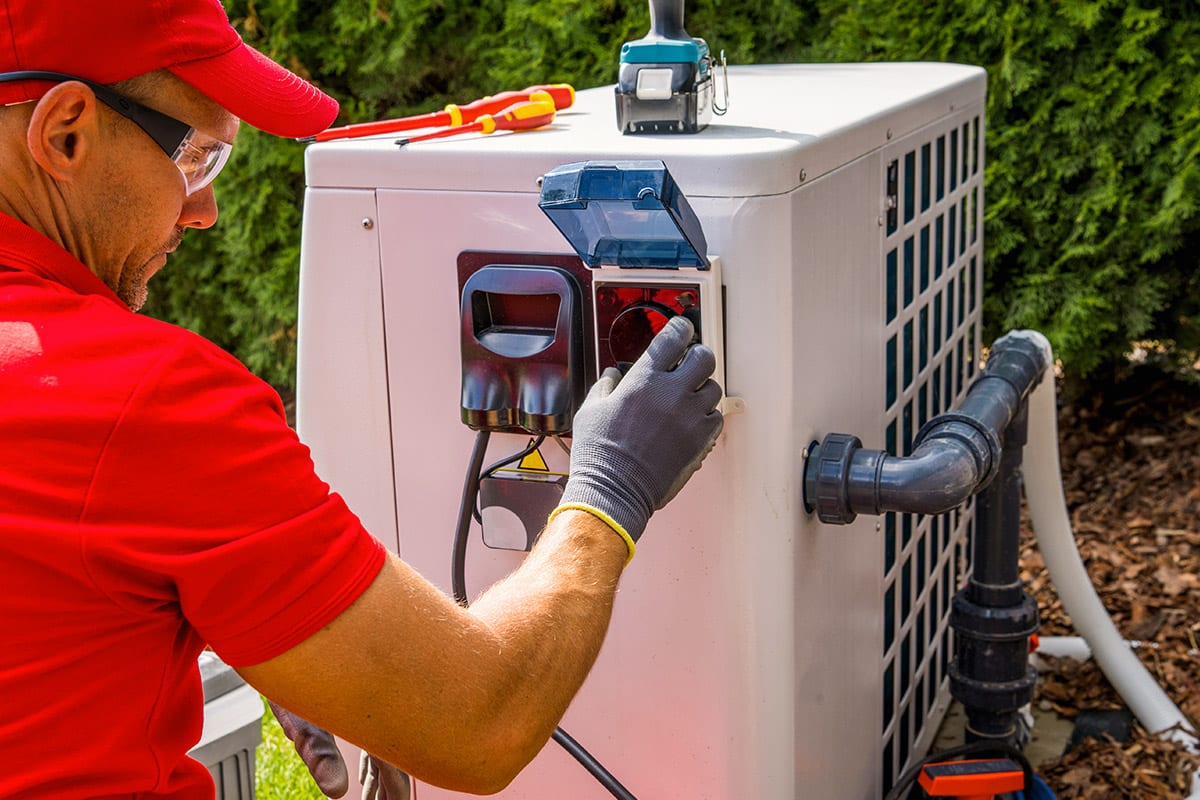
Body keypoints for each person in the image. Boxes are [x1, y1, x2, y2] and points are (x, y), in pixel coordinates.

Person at [0, 1, 724, 798]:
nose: (204, 212)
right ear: (65, 133)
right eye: (196, 158)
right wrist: (610, 488)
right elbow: (480, 721)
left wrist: (252, 611)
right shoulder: (145, 401)